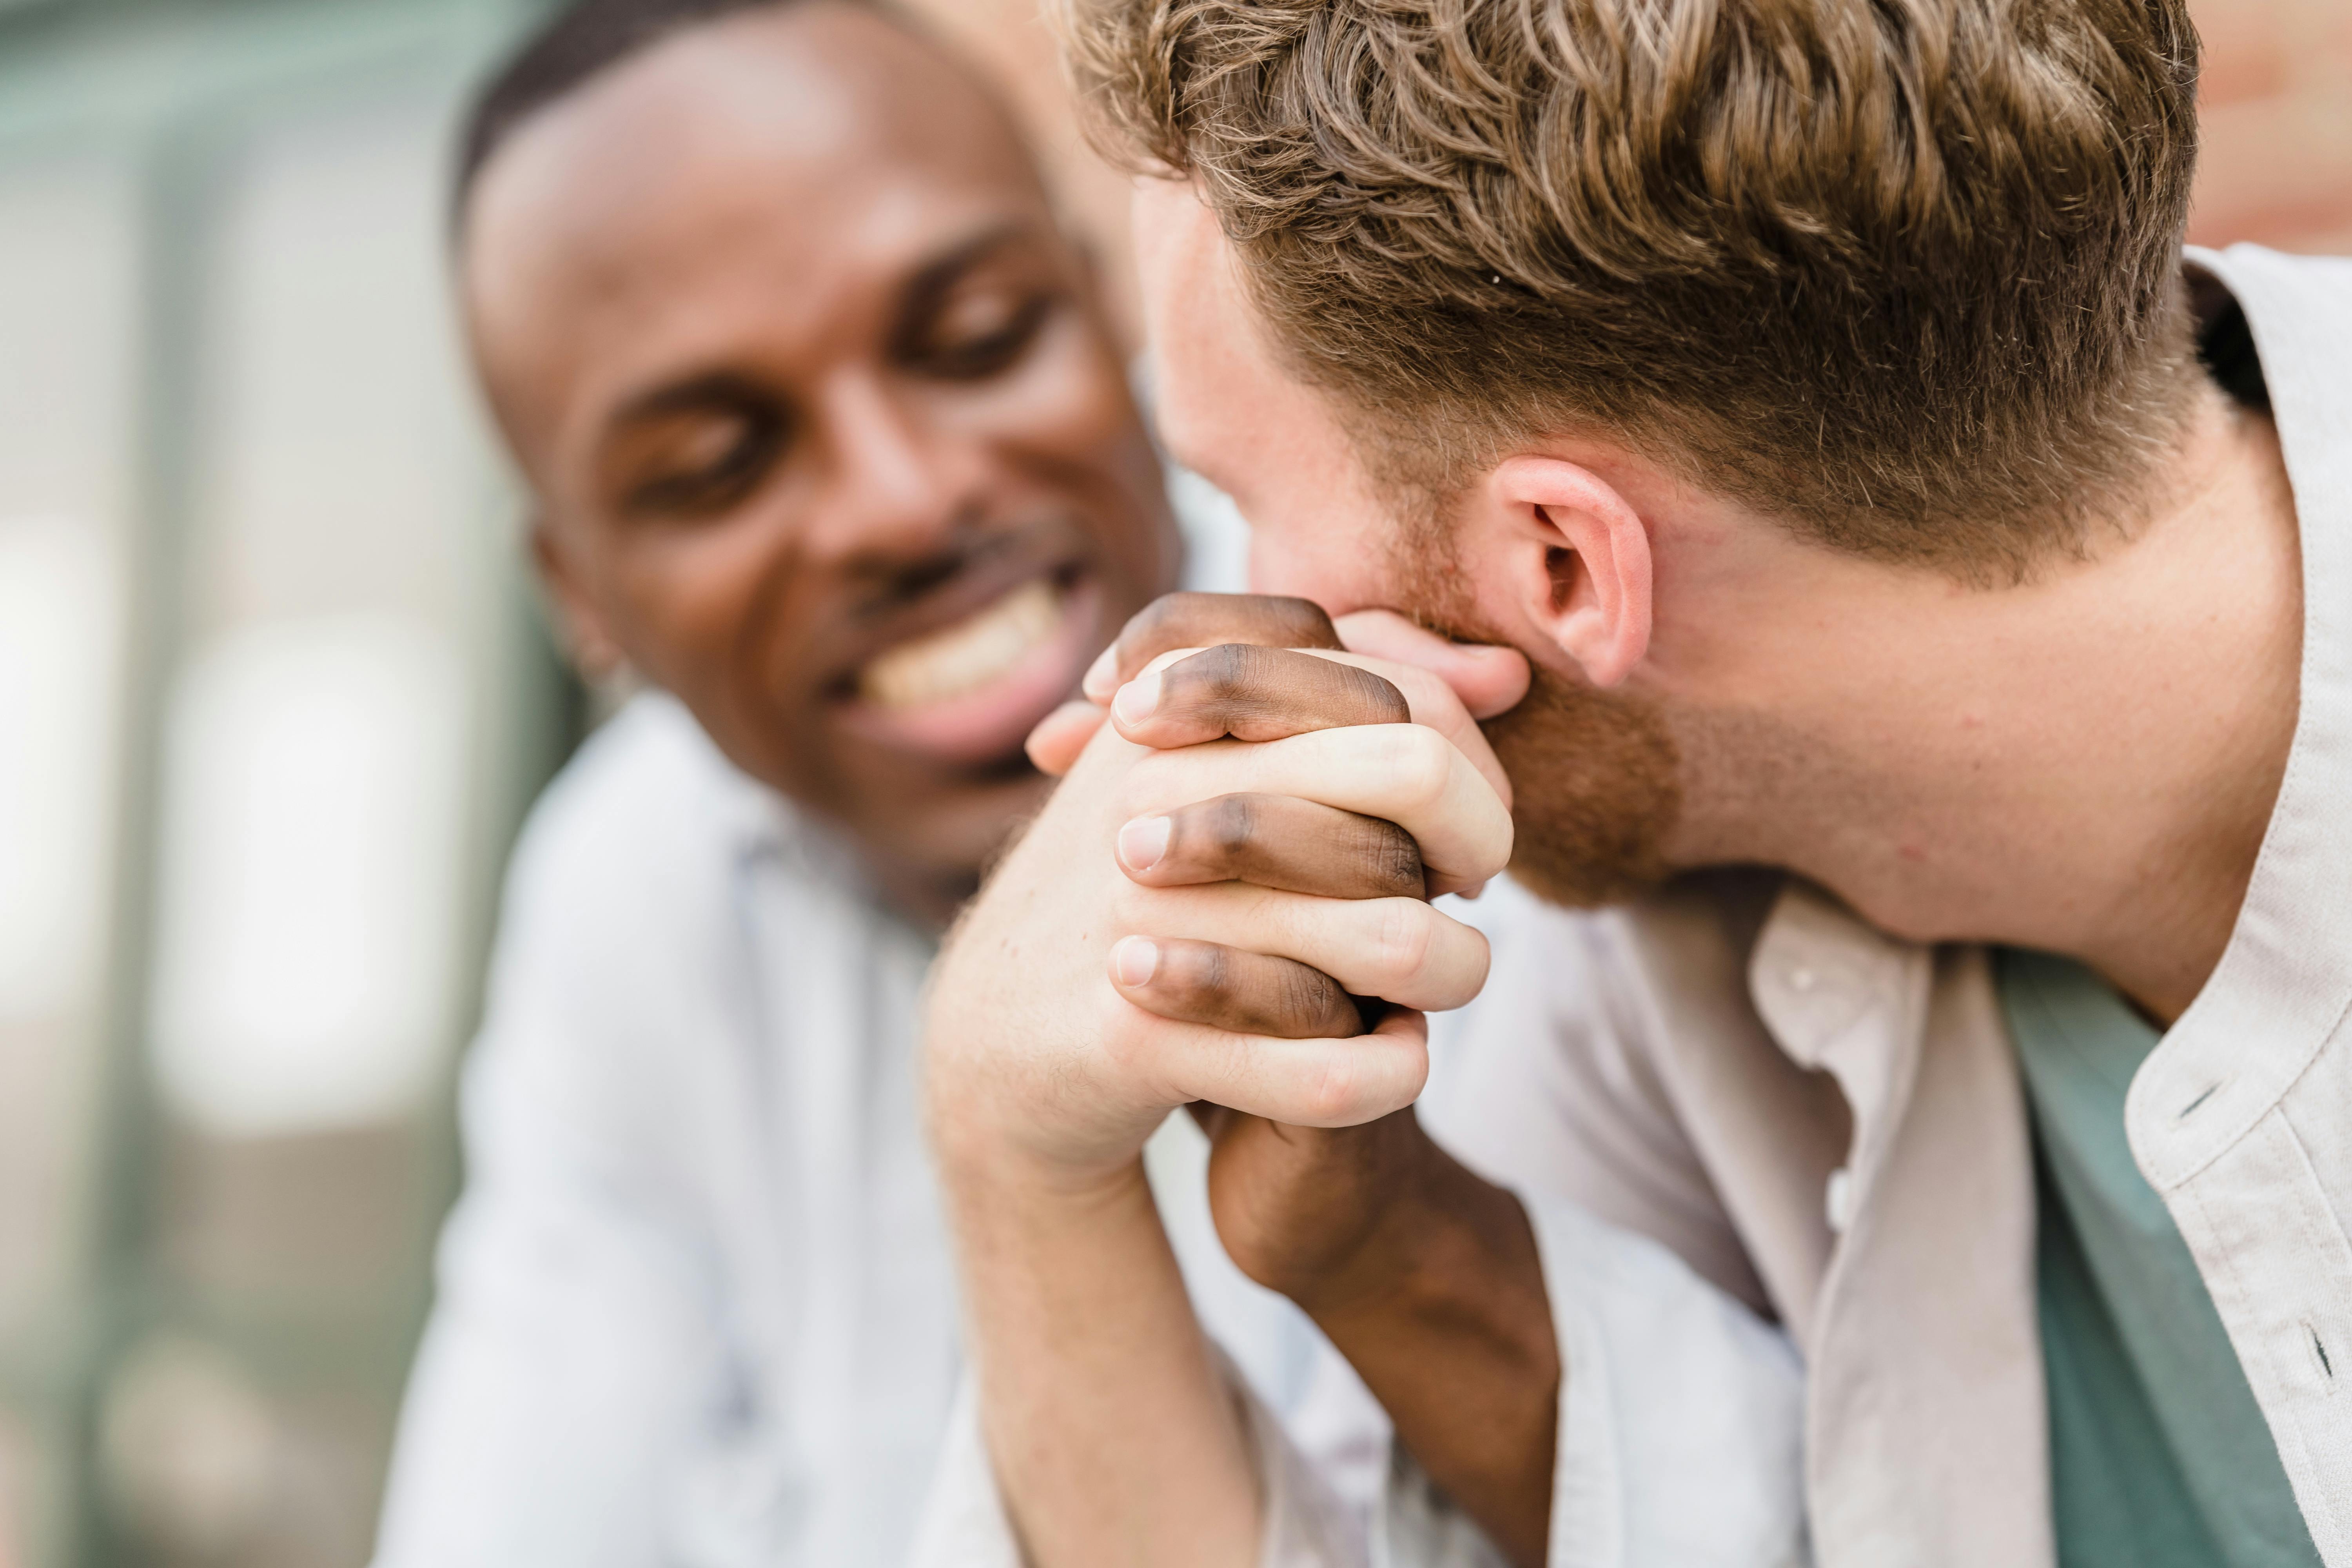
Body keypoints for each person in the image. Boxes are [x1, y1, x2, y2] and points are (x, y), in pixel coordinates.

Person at [917, 0, 2352, 1565]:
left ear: (1563, 562)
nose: (1255, 604)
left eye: (1249, 501)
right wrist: (1020, 1152)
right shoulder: (1628, 922)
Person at [369, 1, 1295, 1562]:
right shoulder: (635, 885)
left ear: (1108, 301)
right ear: (580, 593)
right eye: (715, 468)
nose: (904, 501)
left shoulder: (1436, 705)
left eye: (979, 339)